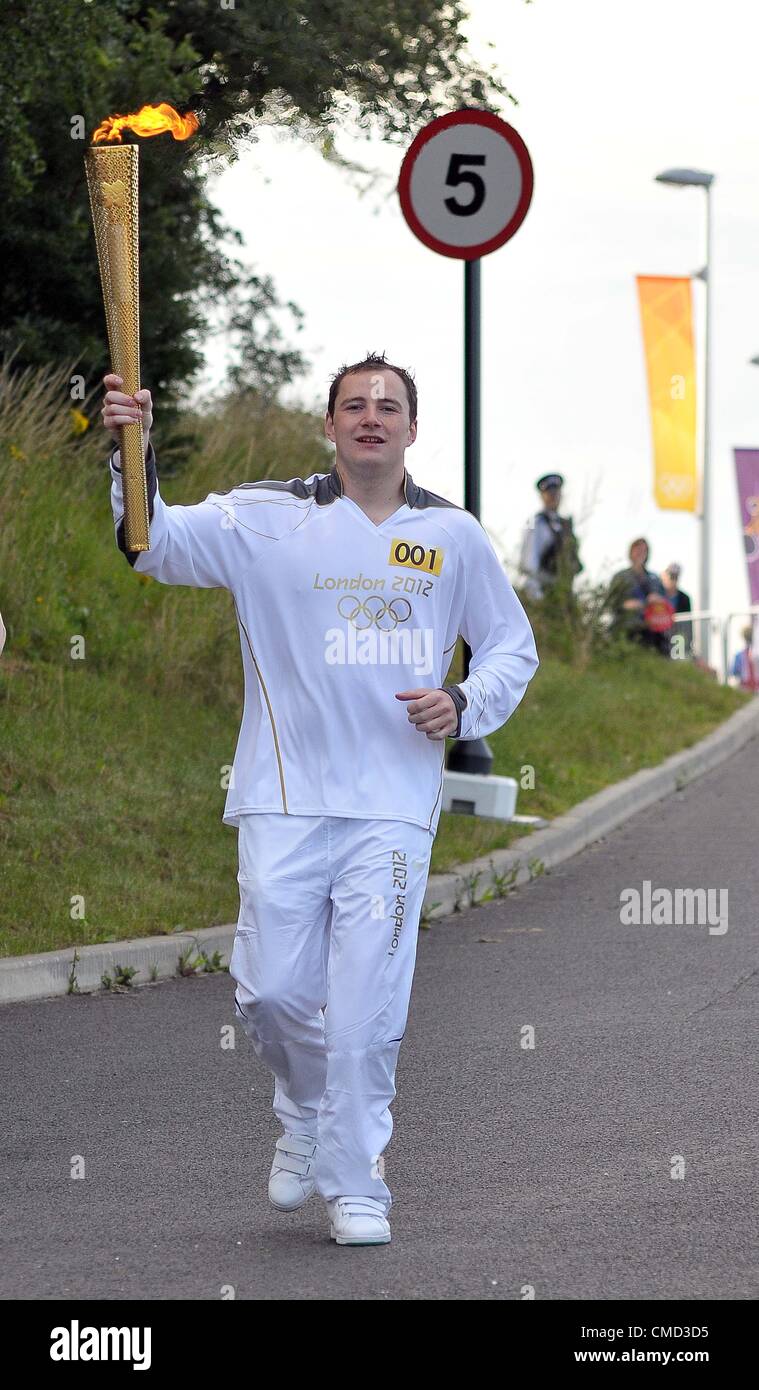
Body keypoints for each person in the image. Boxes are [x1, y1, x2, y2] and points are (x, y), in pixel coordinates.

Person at [102, 351, 539, 1247]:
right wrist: (131, 450)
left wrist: (463, 702)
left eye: (389, 405)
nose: (371, 416)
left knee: (366, 1007)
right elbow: (155, 544)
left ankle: (357, 1184)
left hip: (391, 806)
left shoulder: (452, 536)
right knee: (269, 994)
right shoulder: (269, 518)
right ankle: (303, 1109)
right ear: (330, 424)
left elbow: (509, 647)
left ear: (411, 428)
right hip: (284, 796)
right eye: (354, 404)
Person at [519, 472, 583, 600]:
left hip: (565, 593)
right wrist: (537, 599)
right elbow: (530, 565)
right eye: (549, 493)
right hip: (545, 593)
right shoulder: (536, 524)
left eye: (556, 492)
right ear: (542, 496)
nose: (554, 496)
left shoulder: (564, 525)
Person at [608, 537, 673, 656]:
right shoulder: (621, 577)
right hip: (627, 629)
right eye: (637, 550)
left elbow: (666, 604)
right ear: (631, 552)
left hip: (652, 631)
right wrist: (634, 604)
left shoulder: (654, 579)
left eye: (644, 551)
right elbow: (612, 603)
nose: (641, 554)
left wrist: (658, 601)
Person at [661, 562, 693, 656]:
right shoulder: (657, 596)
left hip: (677, 642)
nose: (673, 580)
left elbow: (687, 624)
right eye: (671, 576)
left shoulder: (684, 598)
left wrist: (687, 645)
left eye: (675, 577)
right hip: (660, 640)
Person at [729, 624, 759, 692]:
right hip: (747, 686)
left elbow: (734, 672)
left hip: (747, 686)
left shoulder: (739, 655)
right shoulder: (739, 655)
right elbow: (734, 672)